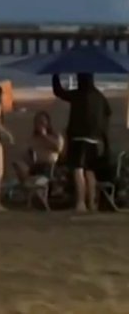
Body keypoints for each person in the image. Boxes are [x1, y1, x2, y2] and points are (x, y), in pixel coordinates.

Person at [52, 72, 113, 212]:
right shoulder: (99, 96)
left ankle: (81, 203)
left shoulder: (78, 94)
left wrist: (55, 75)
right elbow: (108, 112)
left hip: (78, 138)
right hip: (95, 140)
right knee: (90, 171)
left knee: (78, 170)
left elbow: (59, 92)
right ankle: (91, 203)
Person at [11, 110, 64, 186]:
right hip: (35, 166)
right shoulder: (33, 139)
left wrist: (44, 136)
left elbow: (58, 148)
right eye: (37, 122)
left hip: (49, 166)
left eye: (42, 121)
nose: (39, 124)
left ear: (48, 123)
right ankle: (27, 184)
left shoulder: (55, 136)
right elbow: (27, 153)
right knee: (19, 165)